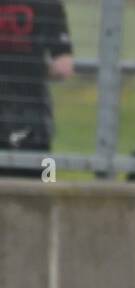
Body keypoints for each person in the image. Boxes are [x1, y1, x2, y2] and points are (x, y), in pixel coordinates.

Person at [0, 0, 73, 178]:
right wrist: (35, 70)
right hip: (32, 112)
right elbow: (63, 67)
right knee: (43, 181)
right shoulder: (48, 4)